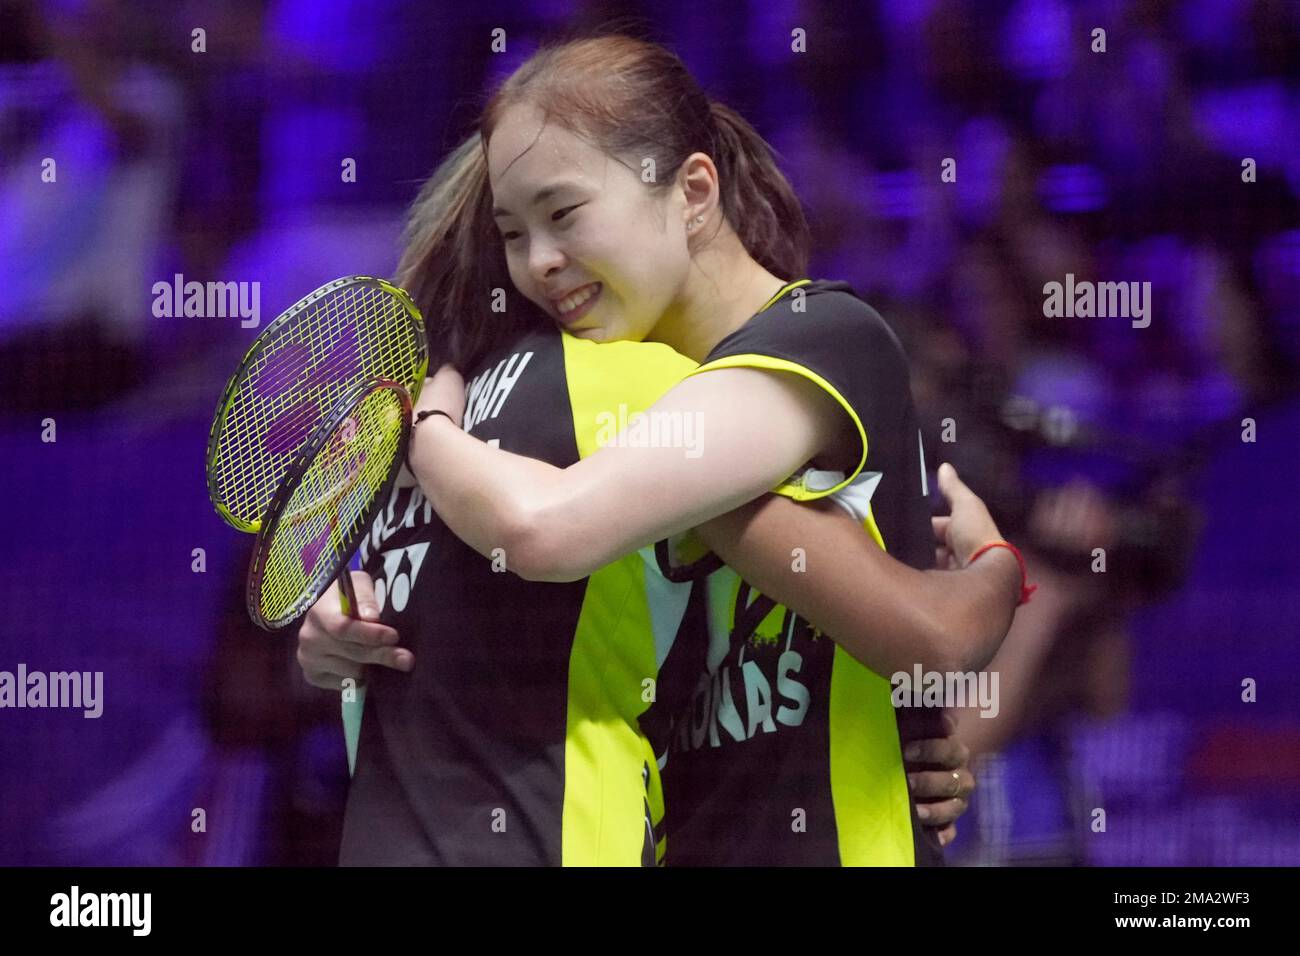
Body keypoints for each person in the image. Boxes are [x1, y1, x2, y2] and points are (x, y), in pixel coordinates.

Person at [300, 34, 1028, 866]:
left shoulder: (821, 337)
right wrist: (345, 626)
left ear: (691, 191)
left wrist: (426, 426)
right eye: (513, 232)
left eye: (565, 214)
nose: (540, 261)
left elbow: (928, 638)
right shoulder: (628, 408)